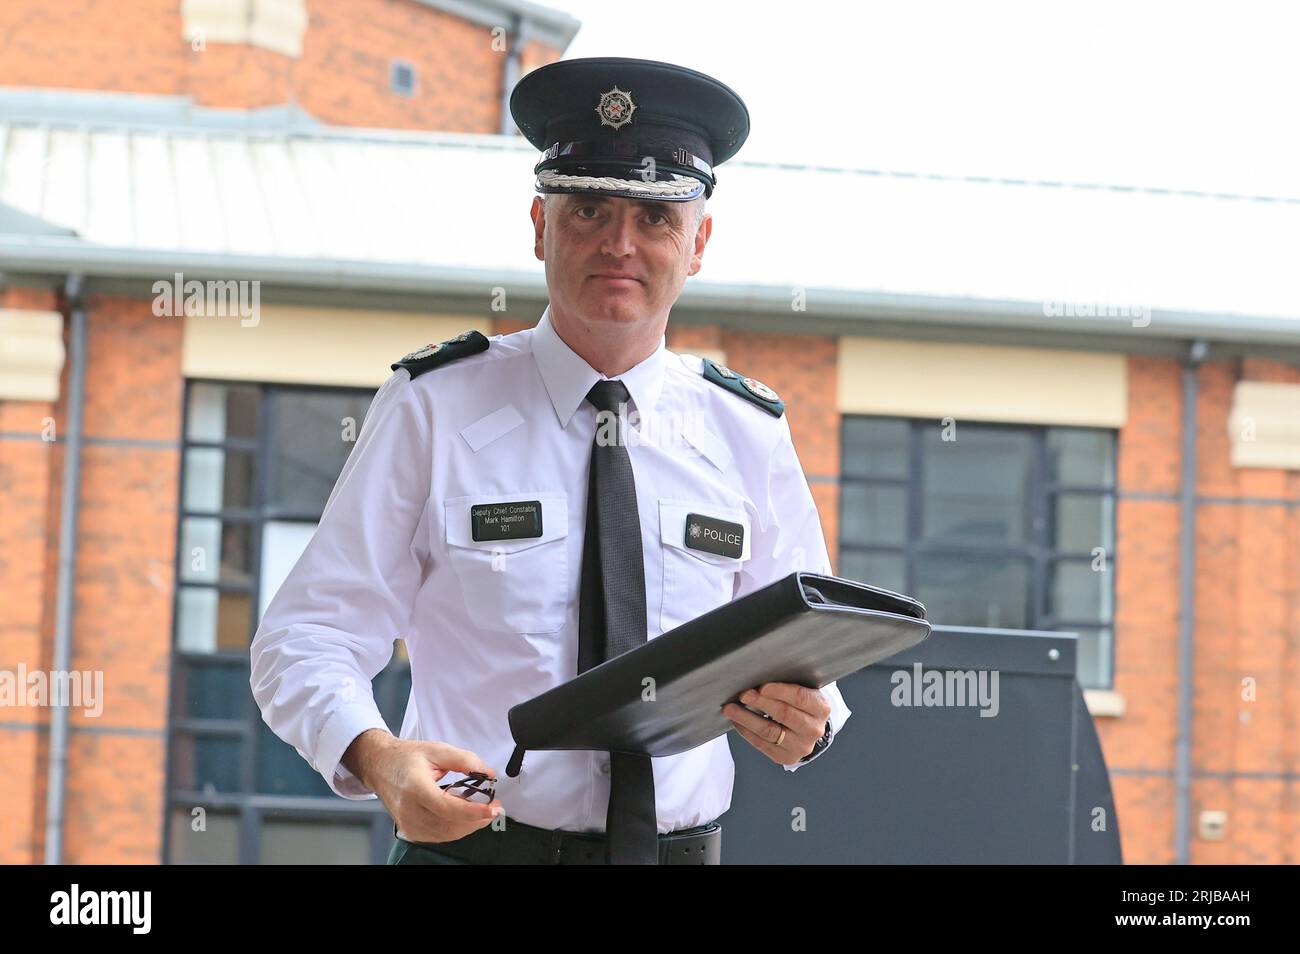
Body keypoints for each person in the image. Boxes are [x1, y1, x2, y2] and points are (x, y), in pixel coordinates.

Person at [249, 57, 850, 866]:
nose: (620, 244)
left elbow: (806, 655)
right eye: (590, 209)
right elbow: (308, 635)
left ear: (699, 241)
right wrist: (375, 757)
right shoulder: (434, 406)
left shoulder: (746, 431)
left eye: (656, 218)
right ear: (540, 225)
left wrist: (809, 725)